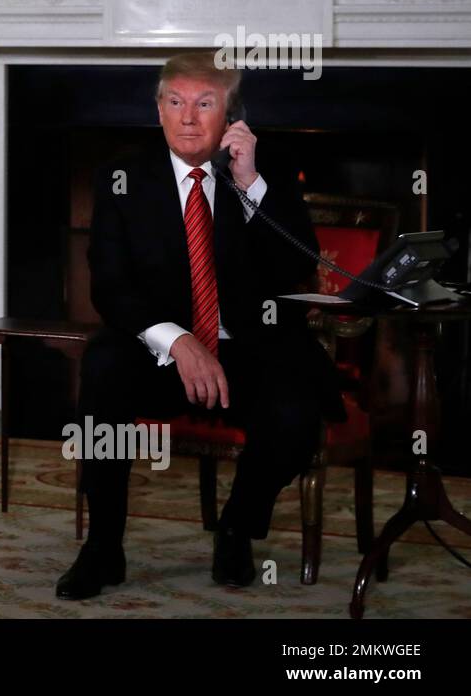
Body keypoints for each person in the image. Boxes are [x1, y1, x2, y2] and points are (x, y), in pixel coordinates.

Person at [56, 51, 346, 600]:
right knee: (103, 368)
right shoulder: (122, 177)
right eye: (175, 102)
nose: (188, 117)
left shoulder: (266, 171)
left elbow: (296, 271)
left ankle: (236, 528)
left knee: (296, 408)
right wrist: (179, 340)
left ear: (231, 115)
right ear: (159, 110)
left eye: (204, 104)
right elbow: (110, 285)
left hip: (248, 351)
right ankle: (103, 546)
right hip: (164, 354)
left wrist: (250, 183)